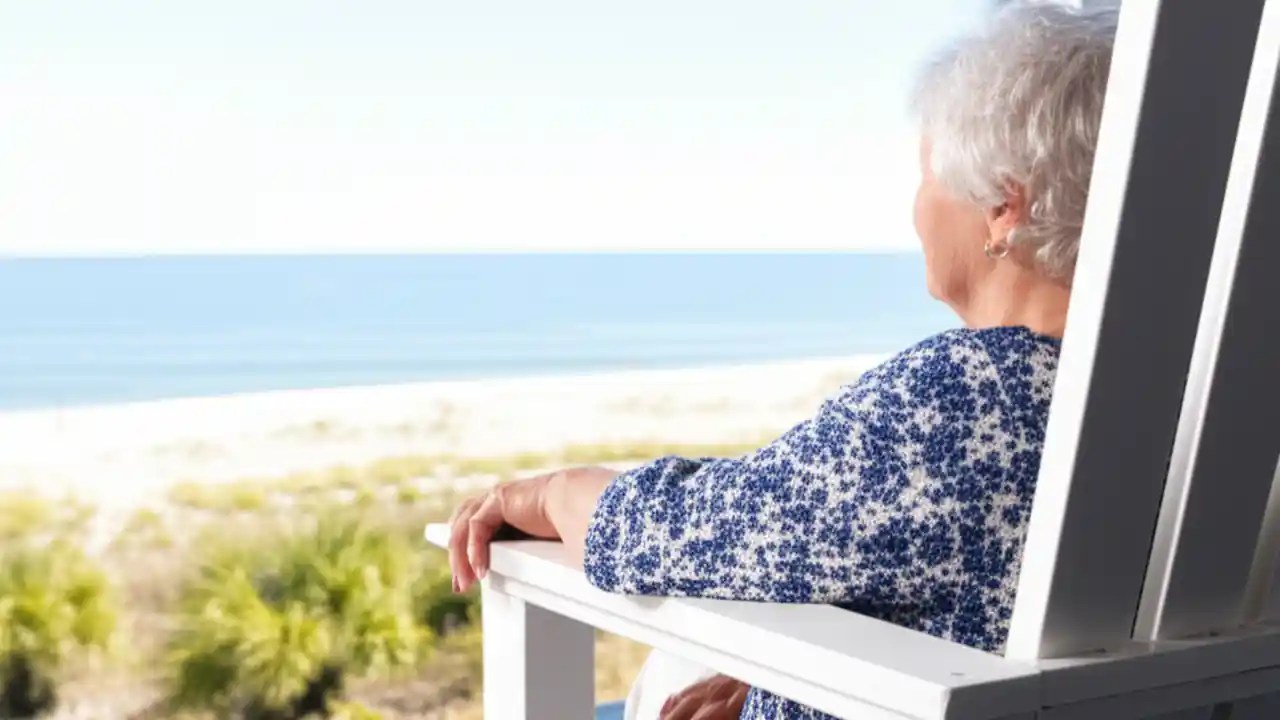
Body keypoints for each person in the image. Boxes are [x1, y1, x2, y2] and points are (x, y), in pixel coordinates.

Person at [446, 3, 1117, 718]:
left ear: (1003, 207)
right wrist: (781, 686)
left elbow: (670, 530)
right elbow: (975, 590)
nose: (917, 206)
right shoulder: (1158, 402)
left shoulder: (964, 402)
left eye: (927, 176)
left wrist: (550, 494)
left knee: (666, 673)